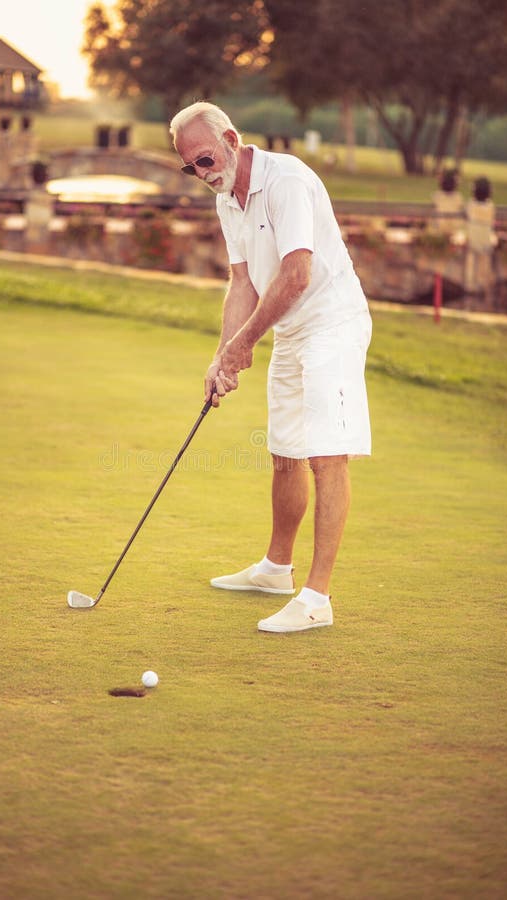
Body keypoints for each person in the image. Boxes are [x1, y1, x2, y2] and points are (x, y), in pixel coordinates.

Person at [169, 102, 372, 634]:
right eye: (190, 167)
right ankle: (276, 571)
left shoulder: (286, 181)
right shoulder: (226, 200)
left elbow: (297, 273)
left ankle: (316, 599)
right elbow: (243, 282)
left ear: (231, 139)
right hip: (289, 327)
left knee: (327, 456)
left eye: (206, 159)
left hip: (331, 321)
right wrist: (223, 355)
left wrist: (245, 344)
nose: (201, 173)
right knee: (286, 452)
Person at [464, 177, 496, 304]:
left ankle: (470, 287)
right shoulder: (490, 206)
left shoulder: (471, 205)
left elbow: (467, 213)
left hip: (473, 239)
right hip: (485, 240)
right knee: (484, 266)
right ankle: (483, 288)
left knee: (471, 265)